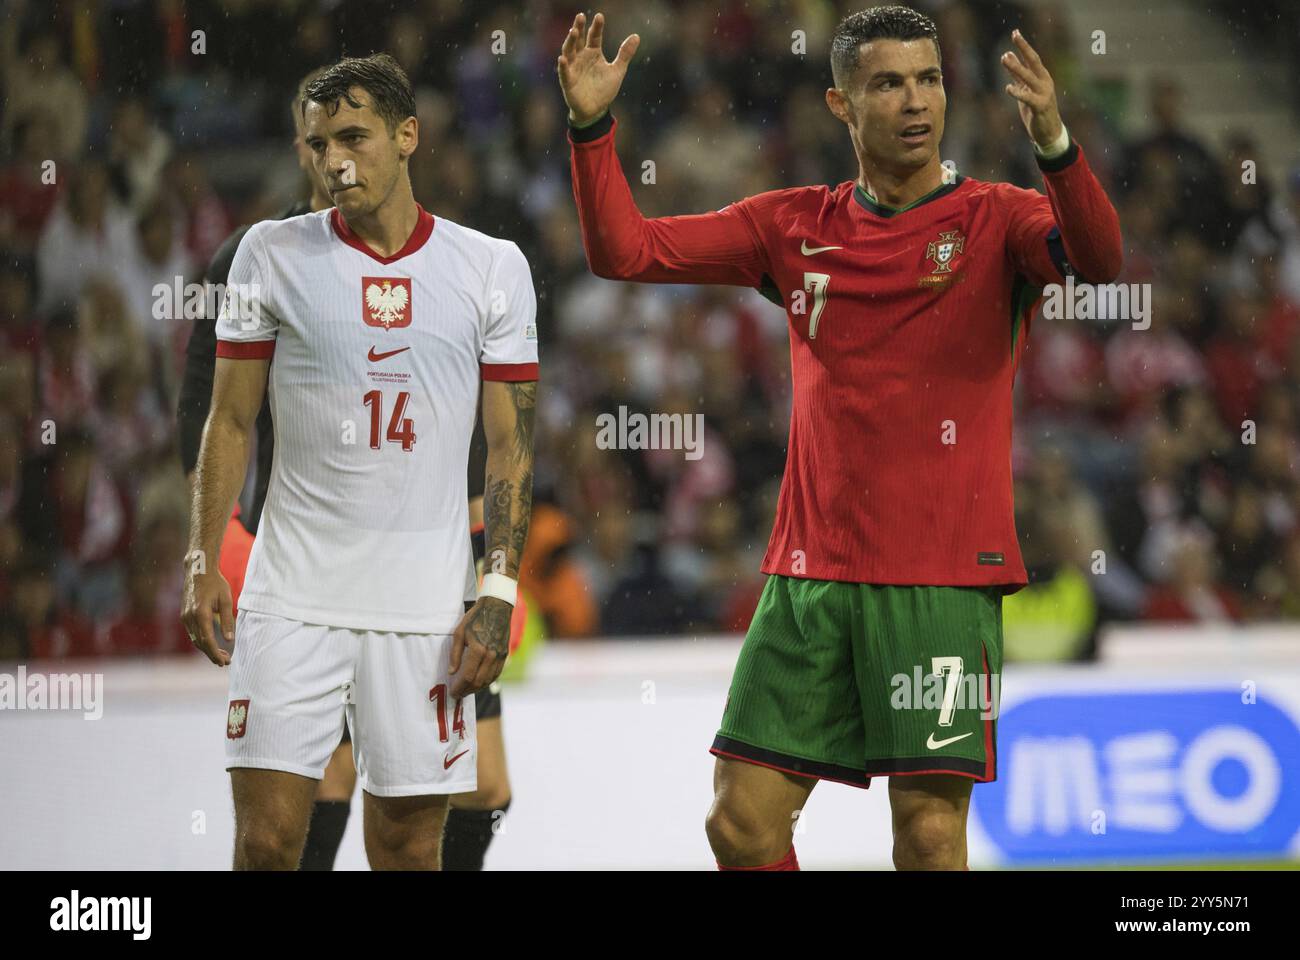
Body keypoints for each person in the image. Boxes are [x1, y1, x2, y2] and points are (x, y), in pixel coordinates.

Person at [557, 6, 1122, 870]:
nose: (915, 100)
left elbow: (1101, 258)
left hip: (939, 577)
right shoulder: (790, 224)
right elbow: (626, 251)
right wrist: (593, 128)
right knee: (739, 826)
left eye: (929, 78)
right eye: (888, 82)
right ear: (839, 103)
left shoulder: (996, 219)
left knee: (929, 837)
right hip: (810, 576)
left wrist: (1055, 143)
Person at [181, 53, 537, 870]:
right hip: (291, 596)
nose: (334, 158)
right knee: (268, 842)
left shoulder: (491, 267)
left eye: (354, 136)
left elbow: (514, 445)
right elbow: (226, 420)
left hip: (424, 605)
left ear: (408, 136)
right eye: (316, 143)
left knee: (409, 847)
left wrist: (498, 590)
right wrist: (202, 560)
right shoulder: (267, 255)